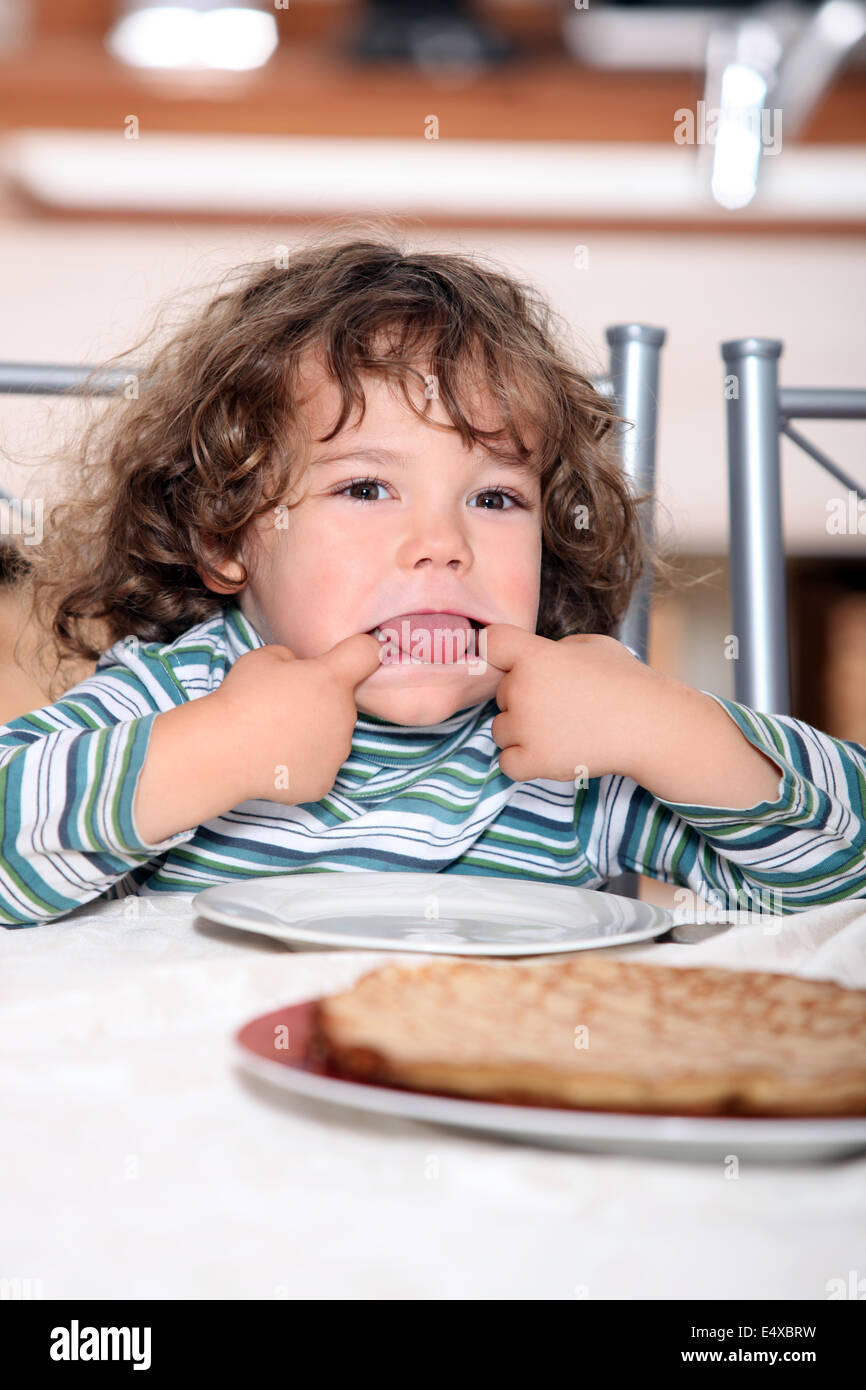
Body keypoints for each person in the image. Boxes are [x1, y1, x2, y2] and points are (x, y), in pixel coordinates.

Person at [1, 231, 864, 927]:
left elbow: (835, 893)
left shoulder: (567, 740)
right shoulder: (171, 702)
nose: (442, 545)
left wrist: (673, 734)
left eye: (494, 496)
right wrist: (217, 752)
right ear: (227, 536)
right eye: (367, 487)